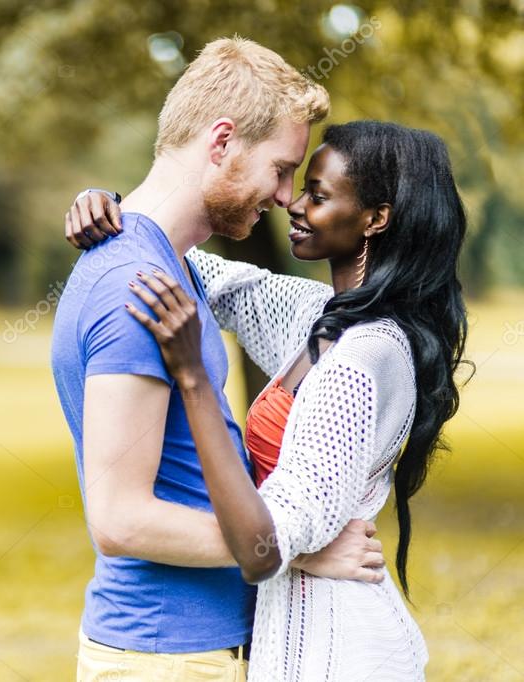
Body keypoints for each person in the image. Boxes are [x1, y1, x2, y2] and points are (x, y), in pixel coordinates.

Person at [65, 120, 470, 680]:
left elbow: (262, 548)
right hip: (292, 631)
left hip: (341, 648)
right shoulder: (316, 313)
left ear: (376, 218)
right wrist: (110, 209)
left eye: (318, 196)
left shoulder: (363, 359)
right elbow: (188, 263)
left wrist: (194, 379)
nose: (292, 204)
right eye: (296, 184)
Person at [51, 37, 386, 682]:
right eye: (283, 168)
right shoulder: (137, 290)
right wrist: (289, 548)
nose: (288, 195)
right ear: (222, 140)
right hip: (168, 656)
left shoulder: (173, 268)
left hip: (192, 651)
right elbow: (120, 519)